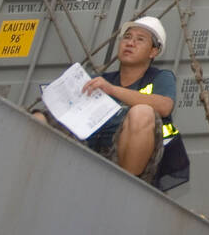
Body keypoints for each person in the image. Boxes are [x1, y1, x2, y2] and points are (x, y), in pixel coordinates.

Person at [30, 16, 179, 186]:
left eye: (140, 40)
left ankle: (125, 187)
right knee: (39, 120)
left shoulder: (160, 78)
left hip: (127, 163)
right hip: (87, 154)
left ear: (153, 51)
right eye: (127, 37)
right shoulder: (96, 81)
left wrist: (112, 90)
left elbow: (165, 106)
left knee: (142, 113)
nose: (130, 43)